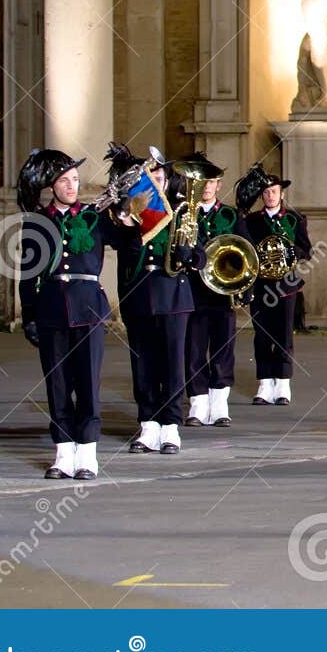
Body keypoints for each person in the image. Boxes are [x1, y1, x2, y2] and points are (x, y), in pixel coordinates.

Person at [16, 149, 114, 480]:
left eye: (74, 179)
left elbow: (129, 240)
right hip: (52, 309)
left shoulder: (95, 216)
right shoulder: (38, 222)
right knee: (57, 384)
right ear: (52, 186)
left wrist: (128, 215)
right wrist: (29, 314)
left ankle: (87, 453)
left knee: (88, 382)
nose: (72, 186)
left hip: (88, 307)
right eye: (64, 181)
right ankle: (63, 452)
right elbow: (28, 273)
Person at [106, 144, 197, 455]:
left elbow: (202, 252)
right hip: (140, 293)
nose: (157, 182)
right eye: (151, 178)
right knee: (143, 362)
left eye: (160, 177)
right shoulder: (131, 214)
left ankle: (171, 425)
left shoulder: (181, 212)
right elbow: (121, 247)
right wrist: (128, 224)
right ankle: (148, 424)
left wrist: (191, 255)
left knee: (173, 363)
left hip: (174, 293)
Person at [238, 165, 313, 406]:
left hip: (285, 284)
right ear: (262, 196)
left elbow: (307, 251)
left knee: (283, 334)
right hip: (260, 284)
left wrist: (290, 251)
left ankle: (283, 384)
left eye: (274, 191)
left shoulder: (294, 219)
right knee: (261, 334)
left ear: (282, 194)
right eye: (266, 192)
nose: (270, 196)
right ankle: (264, 383)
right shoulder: (252, 220)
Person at [183, 155, 239, 429]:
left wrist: (245, 287)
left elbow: (246, 250)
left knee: (223, 348)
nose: (206, 187)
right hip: (193, 292)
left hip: (222, 293)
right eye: (201, 182)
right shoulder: (184, 214)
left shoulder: (230, 215)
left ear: (219, 185)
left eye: (211, 182)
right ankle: (197, 402)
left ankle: (219, 403)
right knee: (193, 348)